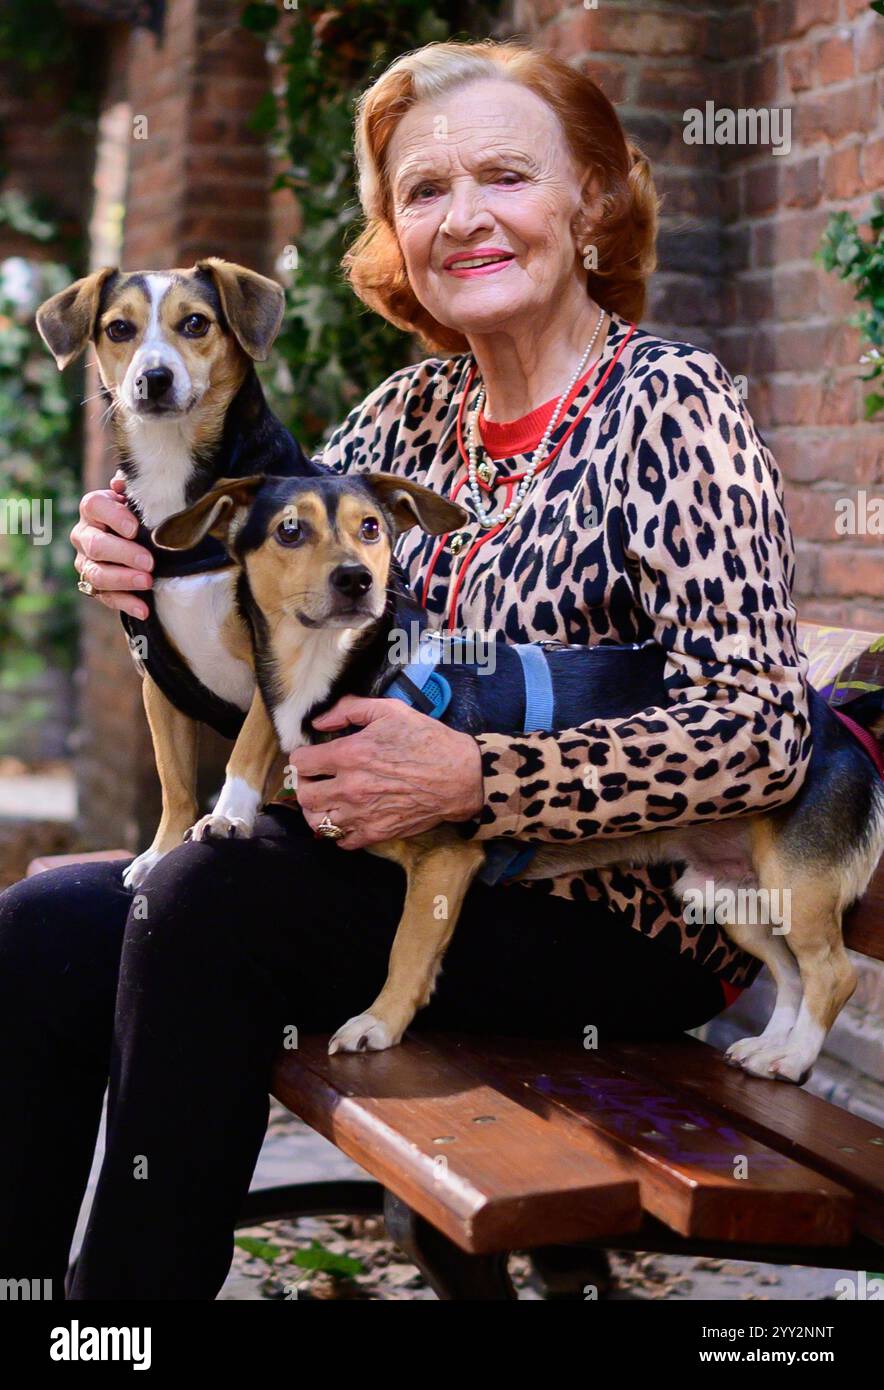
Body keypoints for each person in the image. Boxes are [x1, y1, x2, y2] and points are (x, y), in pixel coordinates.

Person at [0, 40, 811, 1299]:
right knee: (41, 924)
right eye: (423, 191)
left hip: (611, 923)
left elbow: (760, 733)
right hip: (379, 873)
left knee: (207, 901)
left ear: (590, 200)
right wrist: (143, 593)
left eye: (503, 175)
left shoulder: (672, 406)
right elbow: (265, 648)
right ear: (393, 231)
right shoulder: (399, 418)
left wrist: (480, 776)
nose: (463, 216)